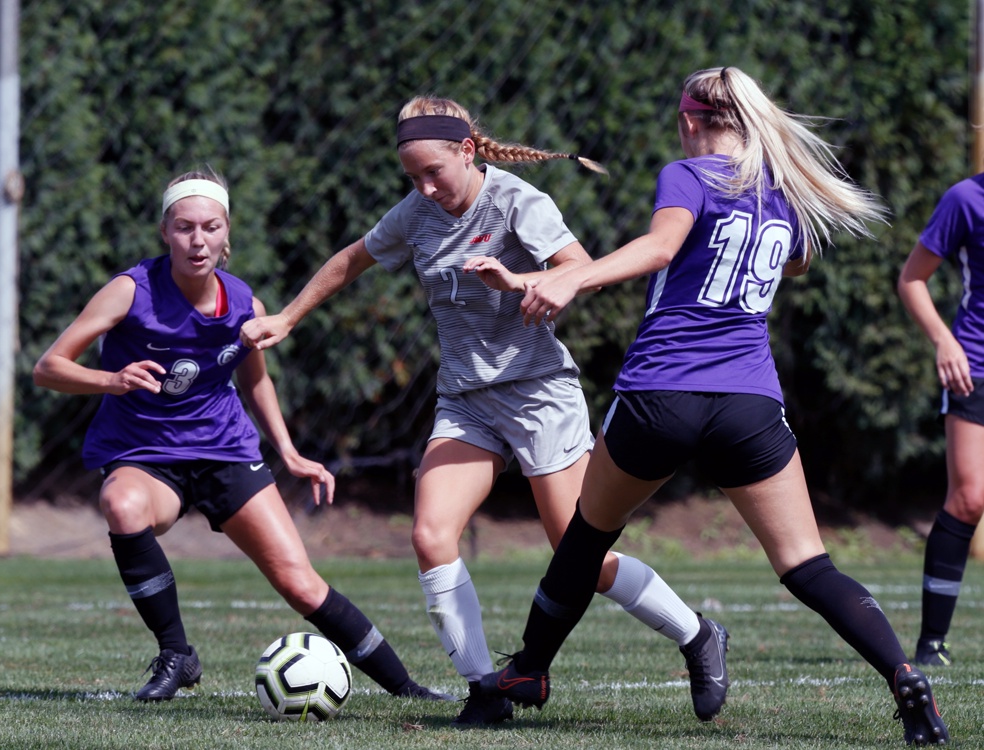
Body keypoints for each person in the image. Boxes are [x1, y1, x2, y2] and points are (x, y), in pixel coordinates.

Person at [475, 67, 950, 746]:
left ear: (694, 119)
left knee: (585, 536)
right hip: (748, 404)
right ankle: (902, 672)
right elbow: (796, 261)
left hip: (661, 394)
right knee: (807, 564)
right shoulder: (784, 195)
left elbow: (662, 247)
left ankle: (529, 671)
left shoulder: (688, 176)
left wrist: (563, 278)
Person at [240, 96, 731, 727]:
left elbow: (580, 271)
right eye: (411, 177)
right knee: (429, 534)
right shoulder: (416, 213)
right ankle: (485, 690)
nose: (424, 188)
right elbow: (351, 259)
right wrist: (285, 316)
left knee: (579, 554)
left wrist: (514, 280)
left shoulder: (517, 201)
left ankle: (697, 635)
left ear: (467, 151)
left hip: (539, 394)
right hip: (467, 401)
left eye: (433, 173)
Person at [33, 168, 450, 704]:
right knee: (122, 504)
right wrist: (109, 380)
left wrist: (291, 453)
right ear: (165, 232)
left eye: (210, 227)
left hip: (226, 451)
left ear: (227, 233)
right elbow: (48, 367)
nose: (197, 240)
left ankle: (406, 687)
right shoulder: (129, 291)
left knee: (299, 583)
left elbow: (256, 382)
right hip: (146, 454)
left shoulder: (243, 302)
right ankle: (177, 655)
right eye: (184, 227)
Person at [897, 173, 984, 668]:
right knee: (969, 498)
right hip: (975, 366)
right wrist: (943, 340)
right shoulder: (966, 199)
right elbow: (912, 279)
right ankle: (932, 642)